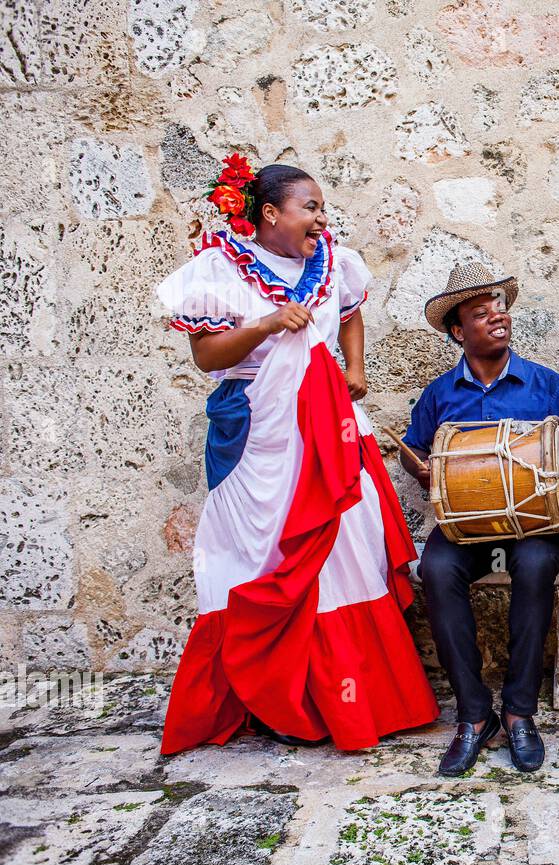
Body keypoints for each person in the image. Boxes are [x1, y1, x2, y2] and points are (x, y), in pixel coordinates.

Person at [157, 157, 438, 755]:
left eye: (320, 208)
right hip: (258, 436)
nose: (320, 218)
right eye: (309, 207)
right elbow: (207, 358)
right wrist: (265, 324)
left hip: (327, 426)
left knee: (345, 549)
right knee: (262, 554)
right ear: (269, 213)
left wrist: (356, 368)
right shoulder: (217, 270)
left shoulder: (332, 261)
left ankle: (359, 698)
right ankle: (275, 697)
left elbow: (352, 311)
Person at [403, 262, 559, 776]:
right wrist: (424, 471)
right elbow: (411, 447)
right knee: (436, 571)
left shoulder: (547, 384)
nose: (497, 318)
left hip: (535, 527)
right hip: (468, 528)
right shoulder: (440, 394)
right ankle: (474, 716)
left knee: (534, 568)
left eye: (501, 309)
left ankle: (518, 713)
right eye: (480, 312)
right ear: (456, 331)